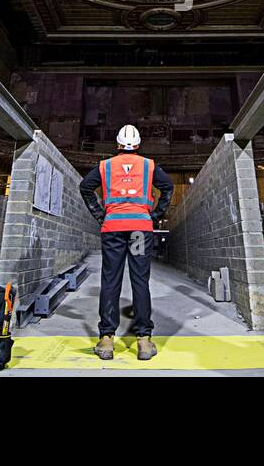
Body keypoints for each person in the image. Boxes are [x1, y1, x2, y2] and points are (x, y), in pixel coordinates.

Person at [78, 124, 173, 361]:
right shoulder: (149, 166)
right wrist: (155, 215)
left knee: (111, 280)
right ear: (138, 145)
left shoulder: (105, 166)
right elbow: (167, 187)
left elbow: (85, 187)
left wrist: (101, 215)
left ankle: (107, 340)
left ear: (118, 144)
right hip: (140, 229)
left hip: (113, 229)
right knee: (140, 280)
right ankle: (143, 341)